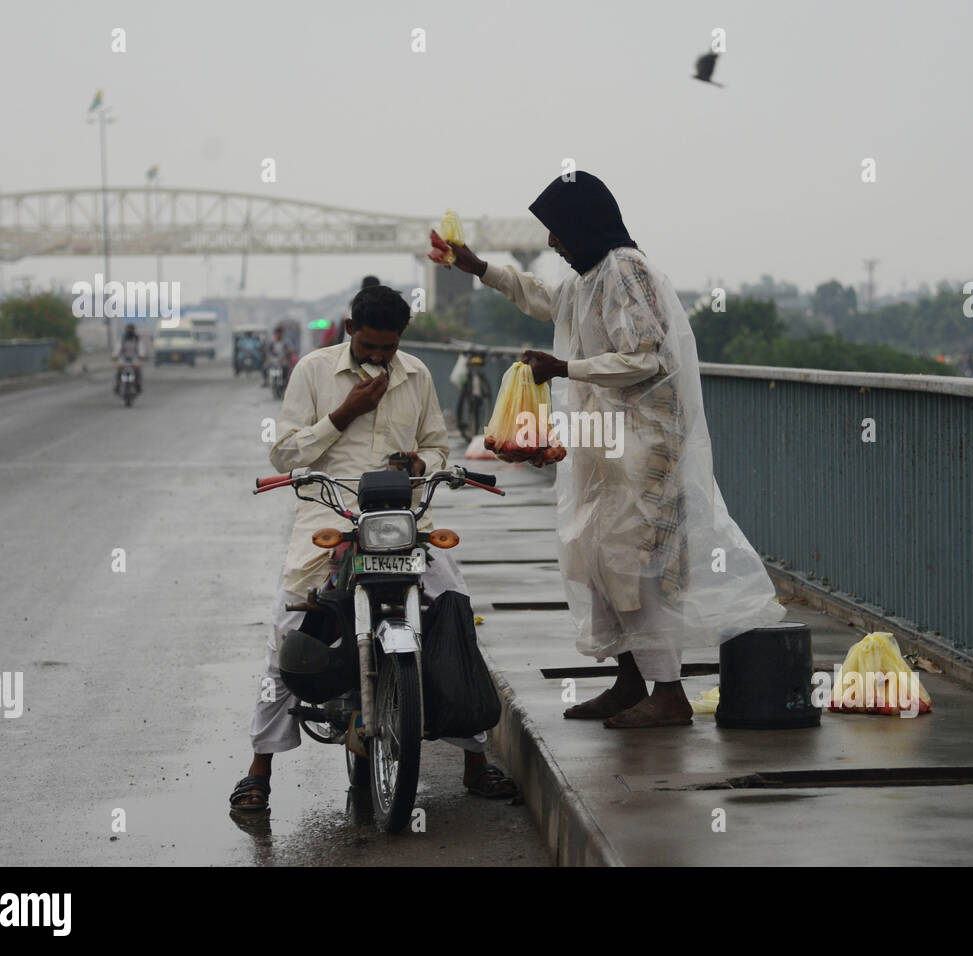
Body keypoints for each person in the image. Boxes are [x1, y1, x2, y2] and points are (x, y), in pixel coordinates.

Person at [438, 172, 783, 729]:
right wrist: (479, 268)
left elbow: (646, 355)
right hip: (601, 444)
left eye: (557, 231)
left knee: (636, 565)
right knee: (595, 558)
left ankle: (669, 693)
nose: (552, 243)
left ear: (582, 224)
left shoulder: (627, 270)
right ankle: (629, 680)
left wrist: (564, 368)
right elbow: (547, 299)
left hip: (645, 448)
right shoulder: (588, 277)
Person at [230, 285, 516, 811]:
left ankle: (476, 763)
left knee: (454, 614)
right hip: (330, 515)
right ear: (350, 332)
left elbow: (437, 445)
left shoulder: (418, 375)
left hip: (404, 520)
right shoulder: (313, 371)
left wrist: (420, 465)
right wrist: (343, 414)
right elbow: (283, 453)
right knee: (290, 633)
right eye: (370, 347)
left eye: (389, 348)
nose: (380, 358)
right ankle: (258, 771)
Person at [323, 275, 380, 348]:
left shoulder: (355, 302)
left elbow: (342, 331)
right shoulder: (382, 305)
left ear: (362, 287)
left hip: (351, 345)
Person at [112, 323, 145, 393]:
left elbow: (141, 348)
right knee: (119, 370)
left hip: (134, 358)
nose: (129, 331)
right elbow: (118, 348)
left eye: (131, 329)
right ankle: (118, 385)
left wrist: (141, 355)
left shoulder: (137, 340)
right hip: (123, 359)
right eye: (128, 329)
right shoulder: (122, 339)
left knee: (138, 371)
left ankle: (138, 384)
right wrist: (115, 355)